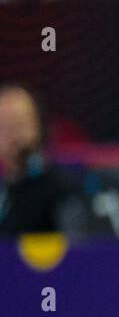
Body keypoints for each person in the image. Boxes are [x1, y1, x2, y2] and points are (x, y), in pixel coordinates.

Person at [0, 83, 85, 237]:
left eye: (19, 124)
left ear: (37, 126)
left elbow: (77, 250)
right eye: (4, 126)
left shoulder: (60, 188)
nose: (13, 136)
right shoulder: (6, 187)